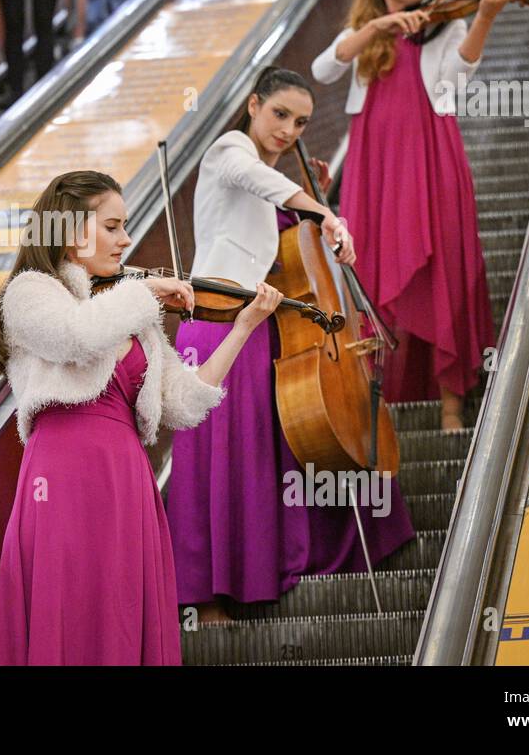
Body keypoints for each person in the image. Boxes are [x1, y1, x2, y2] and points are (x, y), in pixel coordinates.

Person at [0, 170, 283, 665]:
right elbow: (76, 336)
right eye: (112, 226)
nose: (126, 240)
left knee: (123, 614)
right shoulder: (29, 292)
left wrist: (244, 326)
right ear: (72, 228)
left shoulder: (129, 306)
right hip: (62, 478)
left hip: (125, 478)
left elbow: (182, 402)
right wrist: (143, 292)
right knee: (71, 608)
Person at [169, 66, 415, 622]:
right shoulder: (227, 151)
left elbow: (286, 241)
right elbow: (259, 181)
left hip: (263, 330)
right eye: (280, 114)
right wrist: (322, 211)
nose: (289, 129)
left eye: (301, 121)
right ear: (254, 104)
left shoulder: (278, 182)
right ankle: (212, 601)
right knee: (227, 462)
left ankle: (274, 572)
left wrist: (317, 204)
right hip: (218, 328)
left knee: (269, 451)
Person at [312, 0, 511, 431]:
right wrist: (377, 26)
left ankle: (450, 406)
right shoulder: (366, 34)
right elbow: (323, 69)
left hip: (432, 150)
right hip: (375, 159)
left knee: (444, 262)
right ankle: (376, 402)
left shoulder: (444, 22)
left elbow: (455, 83)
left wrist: (484, 17)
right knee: (373, 266)